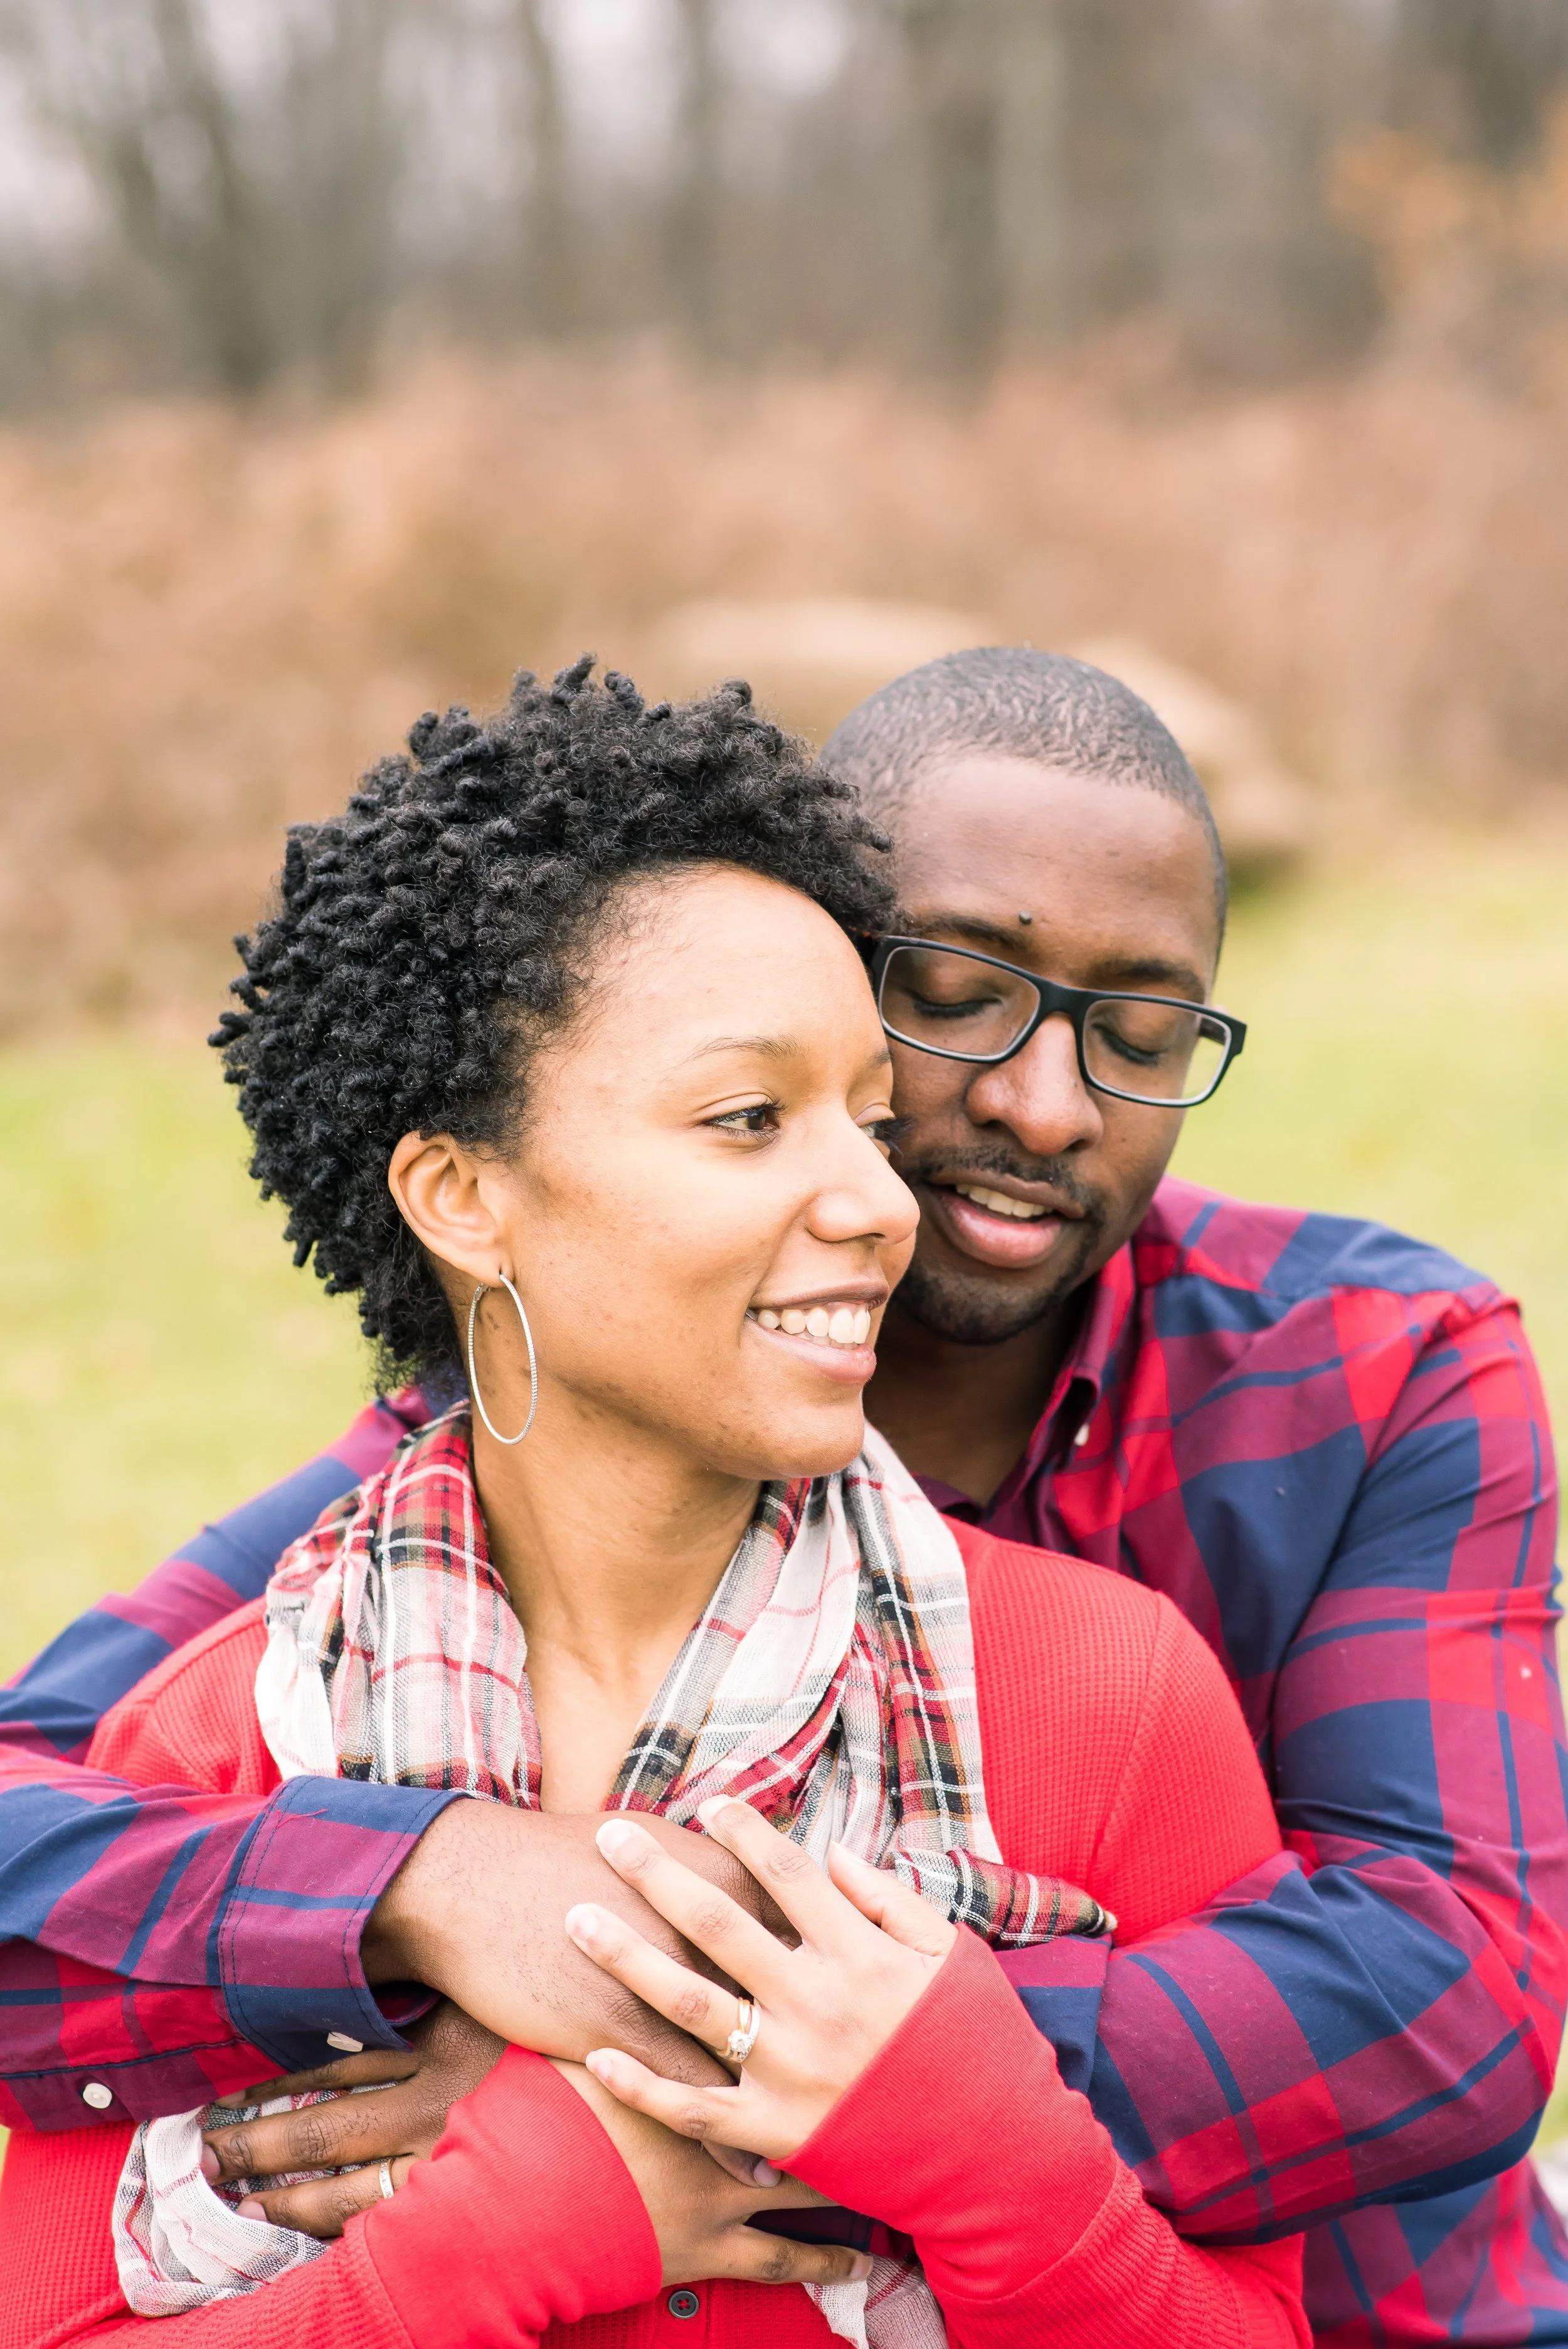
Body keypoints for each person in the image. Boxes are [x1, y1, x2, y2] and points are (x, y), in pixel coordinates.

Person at [0, 647, 1561, 2341]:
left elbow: (1458, 1991)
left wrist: (734, 2058)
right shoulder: (405, 1560)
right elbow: (41, 1809)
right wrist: (427, 1883)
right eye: (953, 995)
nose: (1045, 1106)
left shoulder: (1361, 1382)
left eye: (1141, 1033)